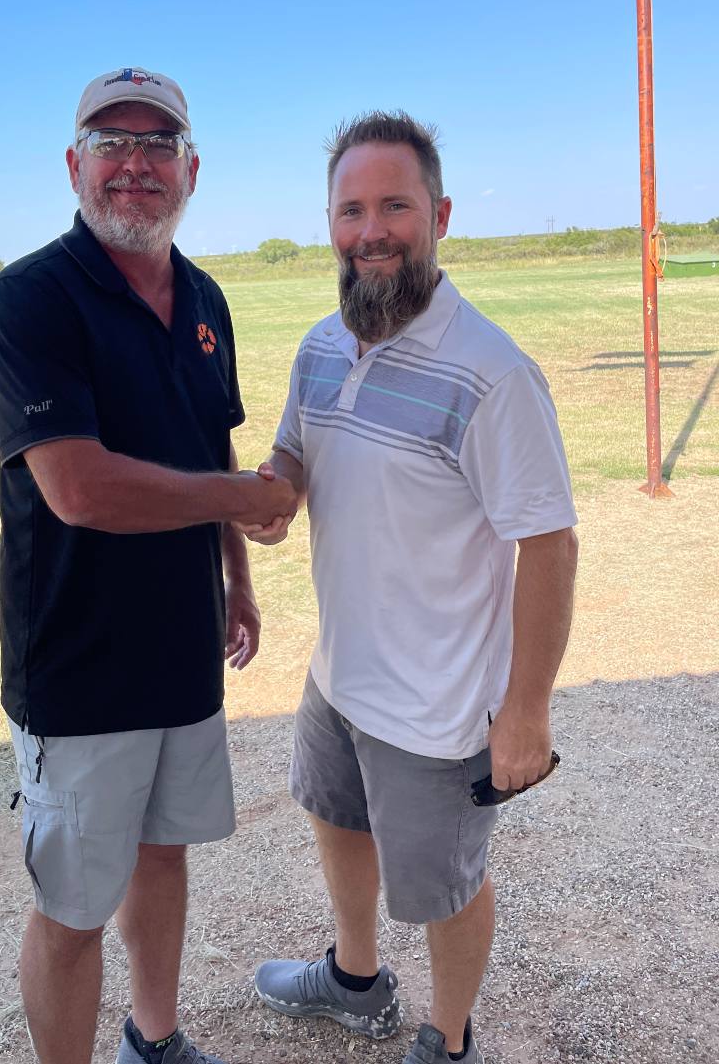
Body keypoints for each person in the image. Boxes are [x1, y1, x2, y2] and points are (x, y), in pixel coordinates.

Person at [0, 67, 297, 1064]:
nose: (135, 163)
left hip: (182, 650)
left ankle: (154, 1041)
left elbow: (207, 448)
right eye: (111, 141)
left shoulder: (204, 297)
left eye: (159, 144)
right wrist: (241, 500)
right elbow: (80, 489)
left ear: (191, 170)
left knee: (163, 856)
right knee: (72, 908)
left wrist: (236, 580)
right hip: (78, 667)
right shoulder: (31, 299)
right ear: (74, 164)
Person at [244, 111, 579, 1064]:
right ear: (331, 223)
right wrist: (272, 497)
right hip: (340, 671)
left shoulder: (492, 373)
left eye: (395, 205)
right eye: (352, 209)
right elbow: (293, 455)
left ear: (438, 215)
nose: (372, 229)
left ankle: (449, 1036)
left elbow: (549, 544)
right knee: (336, 816)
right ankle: (355, 982)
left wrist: (526, 710)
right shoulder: (320, 344)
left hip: (438, 706)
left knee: (444, 885)